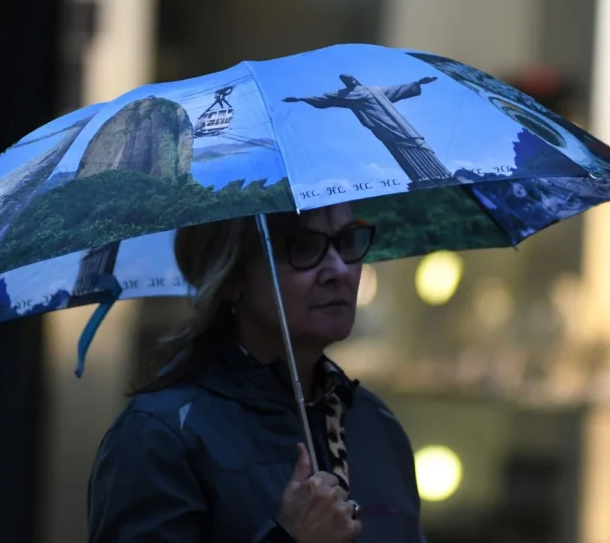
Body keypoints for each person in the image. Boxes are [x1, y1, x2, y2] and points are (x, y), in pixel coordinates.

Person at [87, 203, 427, 542]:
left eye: (348, 241)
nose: (340, 269)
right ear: (232, 276)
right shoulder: (162, 435)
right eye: (304, 247)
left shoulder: (376, 424)